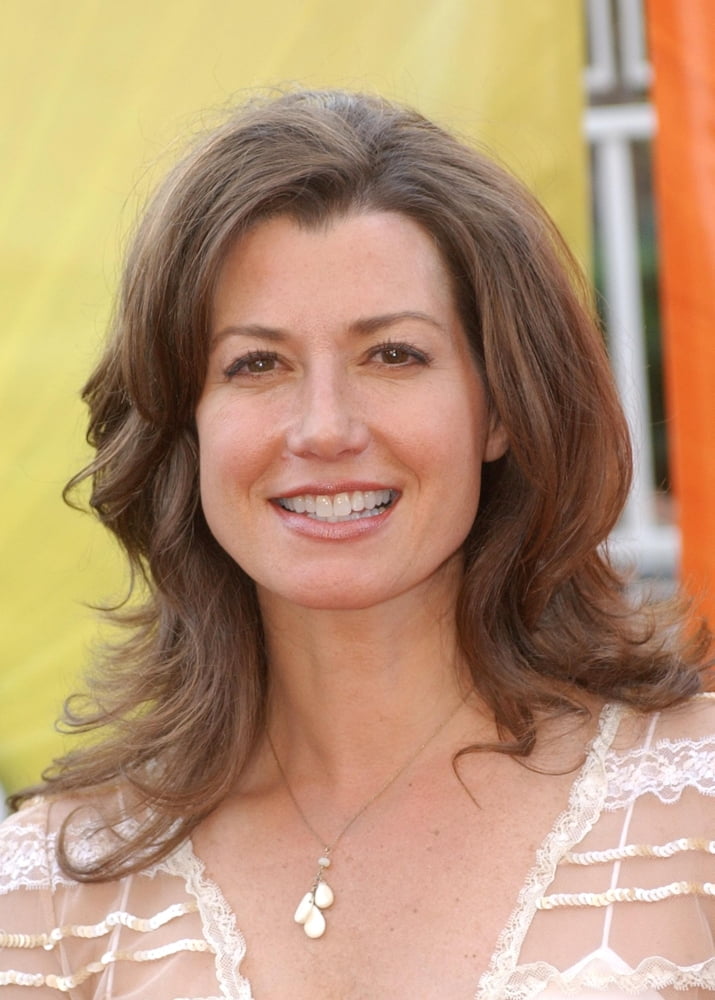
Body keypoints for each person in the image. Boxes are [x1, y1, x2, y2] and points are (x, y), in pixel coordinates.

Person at [0, 89, 713, 999]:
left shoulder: (695, 814)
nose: (324, 429)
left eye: (393, 355)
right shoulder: (53, 896)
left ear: (498, 406)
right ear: (186, 425)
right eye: (256, 364)